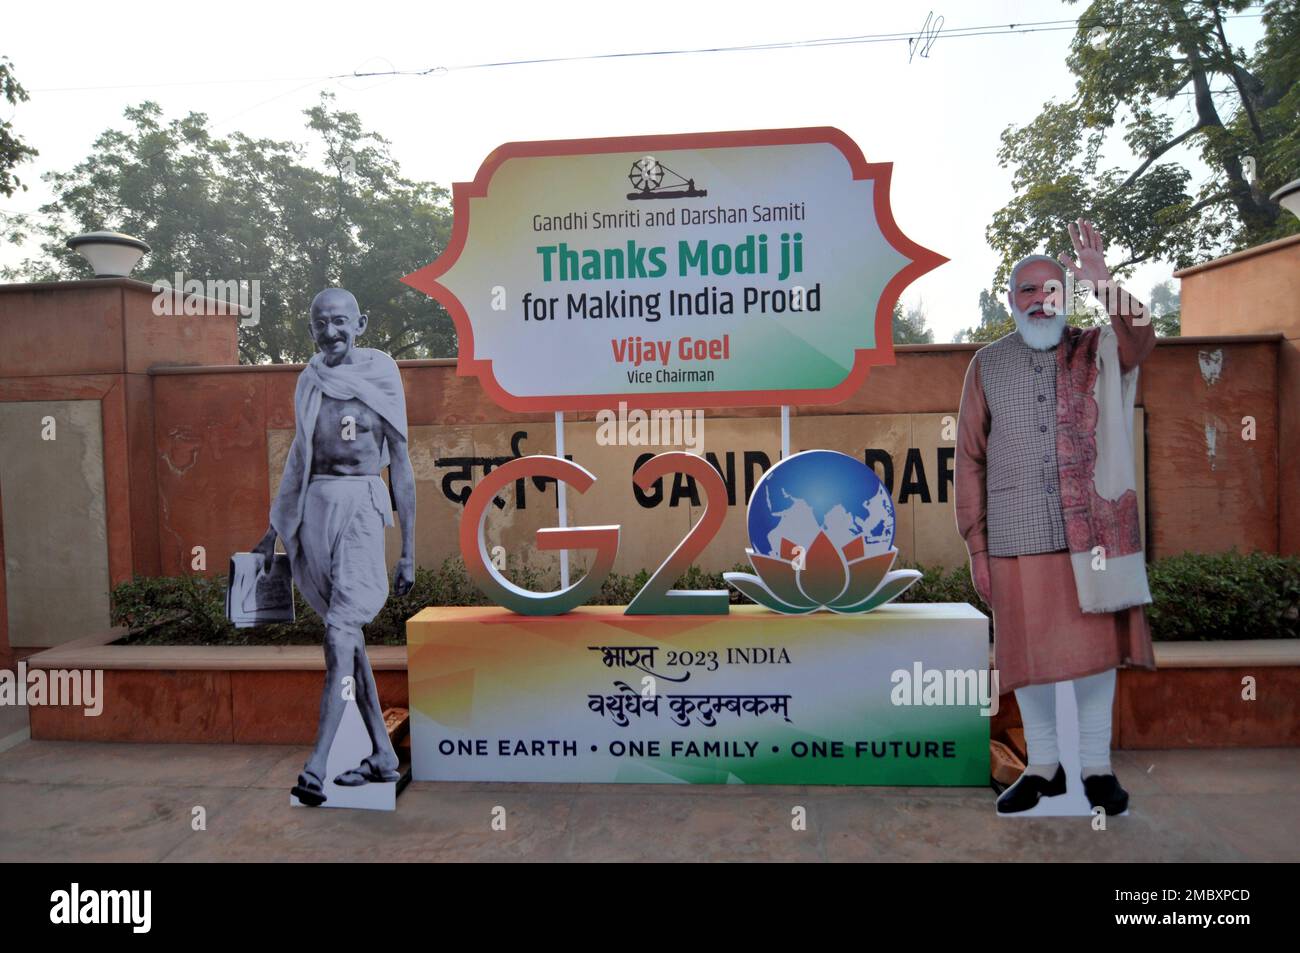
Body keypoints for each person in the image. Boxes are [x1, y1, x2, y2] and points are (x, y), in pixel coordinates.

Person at [955, 219, 1157, 816]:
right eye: (1028, 290)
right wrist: (977, 546)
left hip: (1092, 536)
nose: (1040, 300)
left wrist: (1104, 281)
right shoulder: (986, 365)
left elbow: (1143, 340)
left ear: (1067, 296)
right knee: (1031, 657)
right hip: (1015, 537)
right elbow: (968, 458)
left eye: (1052, 289)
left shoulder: (1098, 349)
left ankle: (1096, 766)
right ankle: (1044, 765)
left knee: (1094, 653)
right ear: (1010, 300)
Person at [251, 288, 416, 807]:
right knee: (346, 637)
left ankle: (316, 764)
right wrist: (276, 527)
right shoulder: (309, 380)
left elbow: (403, 469)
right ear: (311, 329)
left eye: (340, 321)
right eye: (320, 323)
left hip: (364, 507)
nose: (330, 332)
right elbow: (299, 457)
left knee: (340, 631)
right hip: (313, 512)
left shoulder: (382, 375)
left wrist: (409, 549)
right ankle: (384, 757)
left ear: (360, 323)